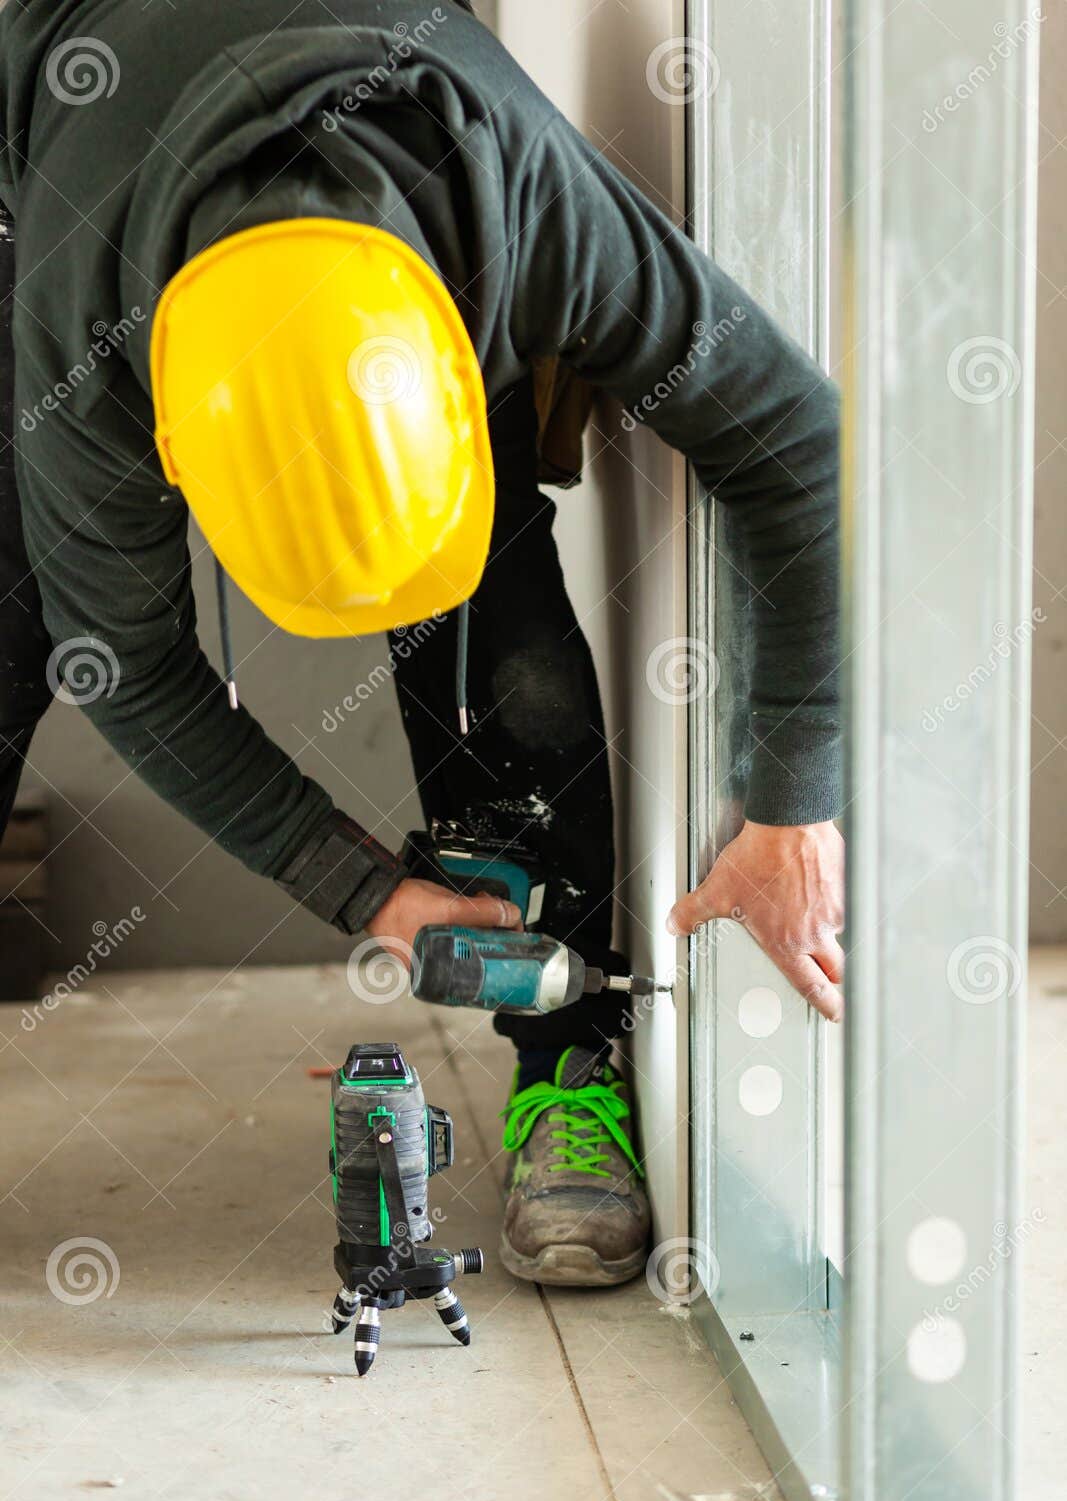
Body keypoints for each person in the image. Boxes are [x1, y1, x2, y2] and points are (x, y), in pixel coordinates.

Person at [0, 0, 844, 1289]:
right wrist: (362, 889)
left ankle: (570, 1064)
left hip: (390, 154)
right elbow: (119, 660)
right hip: (64, 112)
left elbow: (801, 446)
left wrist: (795, 805)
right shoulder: (84, 340)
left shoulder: (530, 202)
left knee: (485, 610)